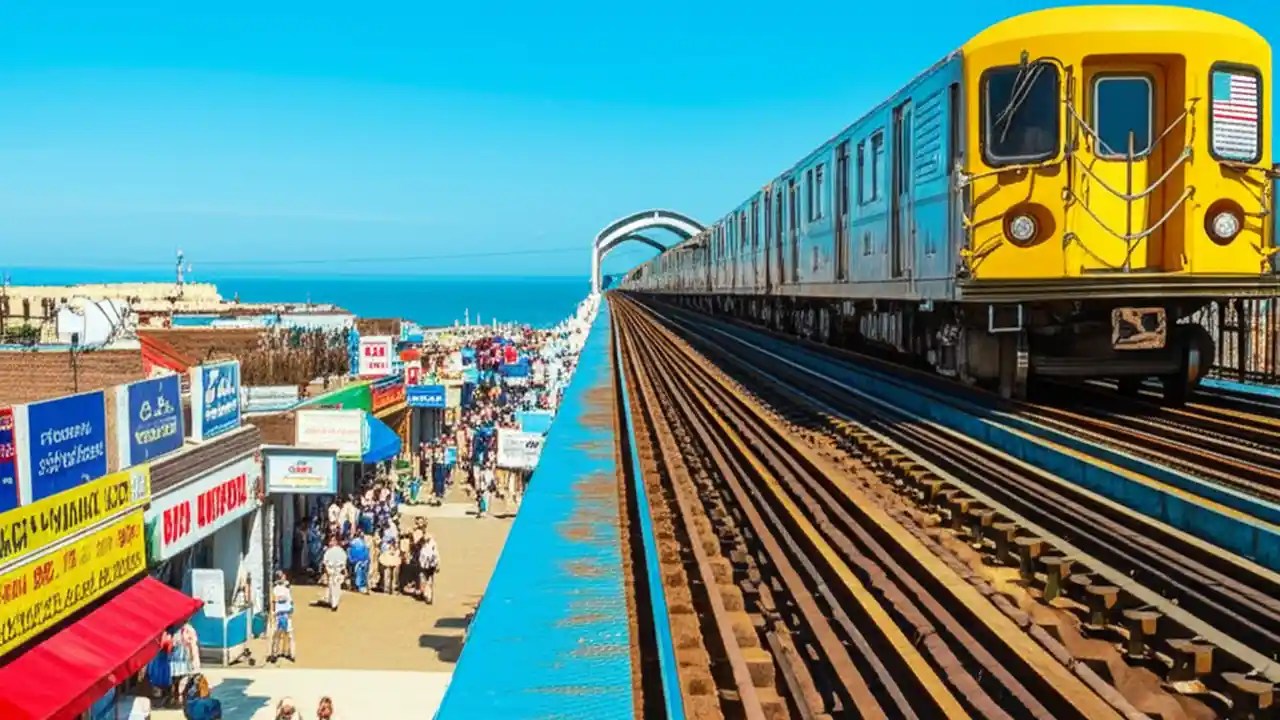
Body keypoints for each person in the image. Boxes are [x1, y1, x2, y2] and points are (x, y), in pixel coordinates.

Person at [269, 572, 296, 663]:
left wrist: (272, 613)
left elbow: (274, 602)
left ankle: (277, 653)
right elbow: (274, 602)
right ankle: (288, 653)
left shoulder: (279, 590)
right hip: (283, 614)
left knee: (279, 635)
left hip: (281, 614)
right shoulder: (281, 590)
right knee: (287, 635)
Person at [321, 536, 348, 611]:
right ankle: (333, 602)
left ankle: (333, 603)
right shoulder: (341, 551)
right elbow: (344, 562)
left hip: (332, 571)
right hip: (337, 571)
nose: (330, 543)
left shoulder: (329, 551)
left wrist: (325, 572)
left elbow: (325, 563)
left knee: (332, 586)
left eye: (331, 541)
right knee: (336, 587)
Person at [418, 531, 440, 605]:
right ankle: (425, 594)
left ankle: (429, 597)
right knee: (423, 580)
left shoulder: (432, 544)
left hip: (430, 565)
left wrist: (437, 565)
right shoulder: (423, 544)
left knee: (429, 582)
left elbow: (436, 555)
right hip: (424, 565)